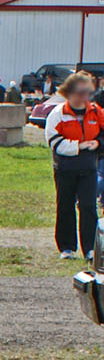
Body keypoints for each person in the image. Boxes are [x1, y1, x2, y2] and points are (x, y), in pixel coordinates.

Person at [45, 71, 101, 260]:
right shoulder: (58, 113)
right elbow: (53, 141)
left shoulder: (96, 112)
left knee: (88, 206)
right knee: (65, 206)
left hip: (88, 168)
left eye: (87, 92)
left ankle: (91, 249)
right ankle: (67, 248)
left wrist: (98, 143)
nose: (83, 96)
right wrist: (78, 146)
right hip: (65, 167)